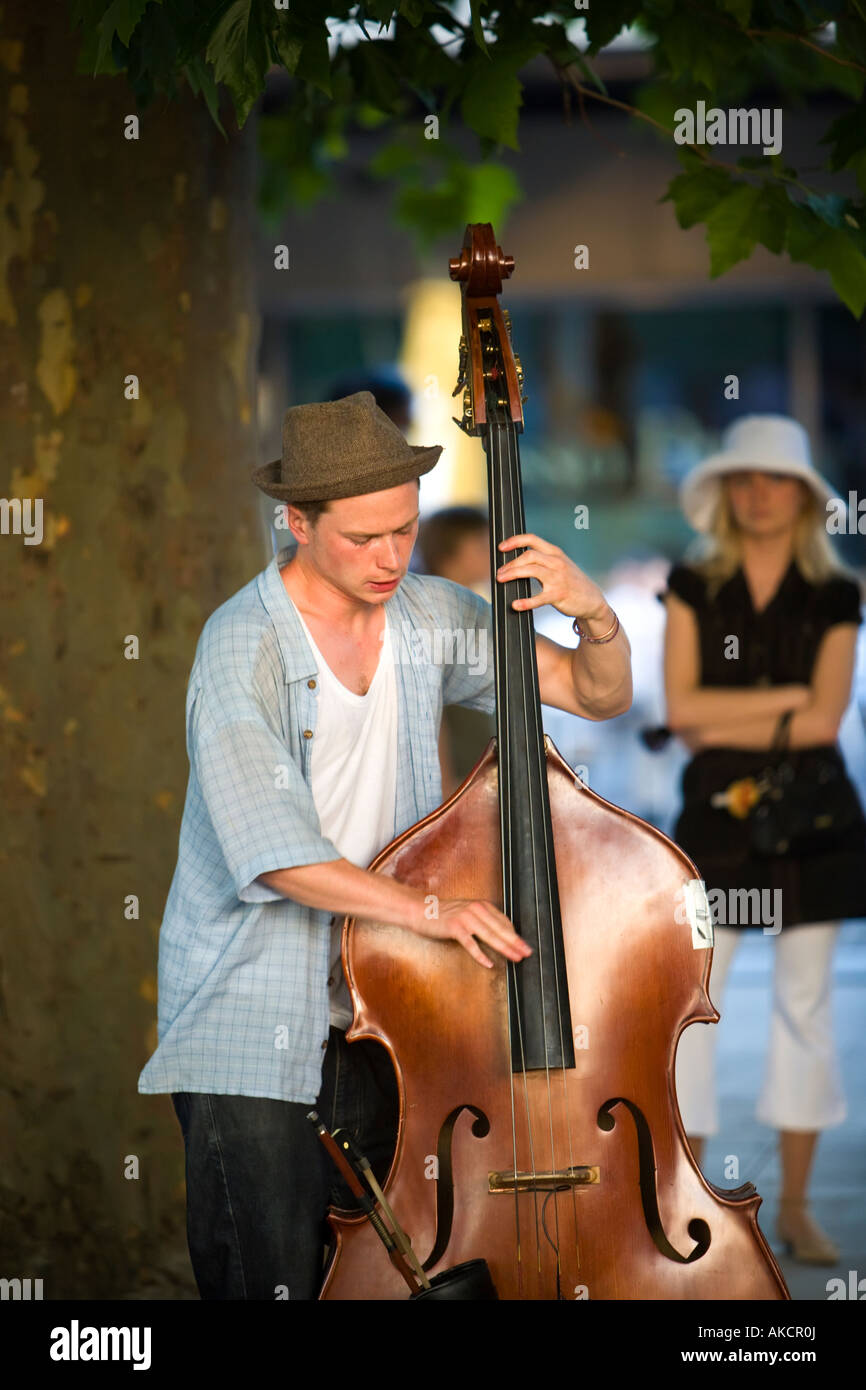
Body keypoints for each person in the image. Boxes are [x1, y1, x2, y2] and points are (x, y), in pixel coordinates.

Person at [138, 390, 632, 1300]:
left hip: (390, 1004)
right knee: (267, 1278)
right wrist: (435, 912)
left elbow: (594, 695)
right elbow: (273, 853)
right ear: (294, 522)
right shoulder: (239, 646)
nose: (389, 558)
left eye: (403, 531)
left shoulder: (427, 616)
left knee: (390, 1274)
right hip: (249, 1011)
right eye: (362, 539)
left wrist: (592, 611)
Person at [661, 414, 866, 1265]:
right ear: (725, 494)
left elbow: (827, 717)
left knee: (807, 1011)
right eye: (743, 478)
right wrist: (782, 701)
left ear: (803, 497)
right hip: (716, 824)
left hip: (814, 825)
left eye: (775, 478)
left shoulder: (836, 595)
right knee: (691, 1010)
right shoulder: (691, 584)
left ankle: (795, 1209)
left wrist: (733, 714)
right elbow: (680, 716)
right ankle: (687, 1212)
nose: (757, 491)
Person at [417, 506, 496, 793]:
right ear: (449, 551)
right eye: (480, 543)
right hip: (456, 784)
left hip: (474, 775)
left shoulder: (469, 612)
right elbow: (431, 712)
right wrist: (444, 787)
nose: (491, 551)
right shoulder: (434, 616)